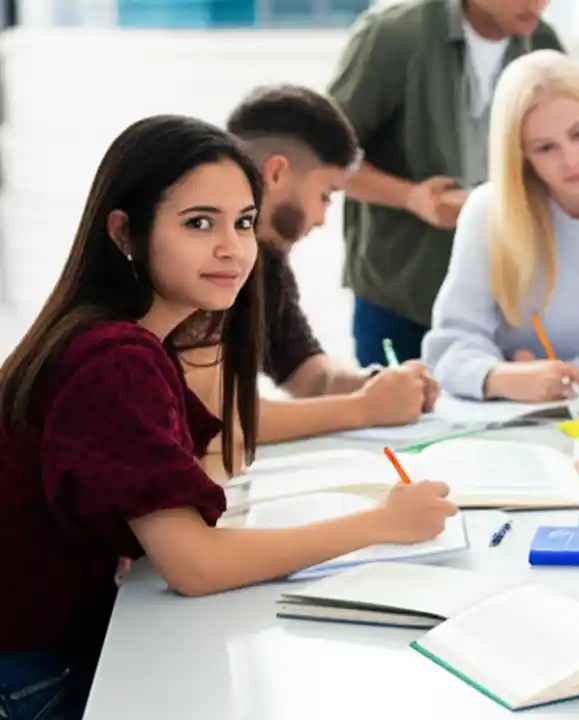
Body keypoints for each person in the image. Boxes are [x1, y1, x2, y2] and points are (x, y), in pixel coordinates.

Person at [0, 116, 457, 720]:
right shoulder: (116, 359)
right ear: (124, 232)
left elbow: (218, 447)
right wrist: (381, 523)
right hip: (34, 674)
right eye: (199, 223)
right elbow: (196, 565)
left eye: (243, 222)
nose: (233, 248)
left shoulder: (133, 339)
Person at [180, 85, 438, 465]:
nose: (320, 219)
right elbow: (214, 419)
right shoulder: (190, 256)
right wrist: (365, 408)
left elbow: (308, 375)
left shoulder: (264, 262)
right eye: (325, 195)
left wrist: (379, 386)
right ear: (277, 172)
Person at [423, 50, 579, 401]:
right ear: (521, 156)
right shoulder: (488, 211)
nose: (571, 160)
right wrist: (501, 378)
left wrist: (553, 374)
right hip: (515, 415)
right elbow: (450, 347)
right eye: (546, 148)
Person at [328, 0, 562, 367]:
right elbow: (325, 156)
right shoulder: (394, 35)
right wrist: (411, 197)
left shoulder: (543, 46)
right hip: (401, 296)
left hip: (502, 304)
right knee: (396, 402)